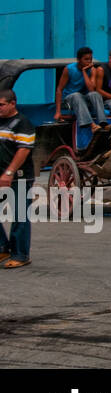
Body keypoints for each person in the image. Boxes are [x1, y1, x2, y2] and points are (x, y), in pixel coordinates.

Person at [0, 88, 36, 268]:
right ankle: (2, 248)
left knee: (20, 216)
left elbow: (23, 150)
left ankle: (21, 254)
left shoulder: (22, 123)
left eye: (1, 105)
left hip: (19, 177)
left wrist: (9, 172)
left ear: (12, 103)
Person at [54, 47, 110, 145]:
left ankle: (103, 123)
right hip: (70, 99)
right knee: (77, 95)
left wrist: (84, 72)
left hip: (83, 98)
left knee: (95, 94)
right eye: (86, 59)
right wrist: (58, 111)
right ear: (79, 60)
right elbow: (59, 89)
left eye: (90, 59)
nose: (89, 62)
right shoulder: (69, 69)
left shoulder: (92, 70)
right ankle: (92, 125)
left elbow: (91, 89)